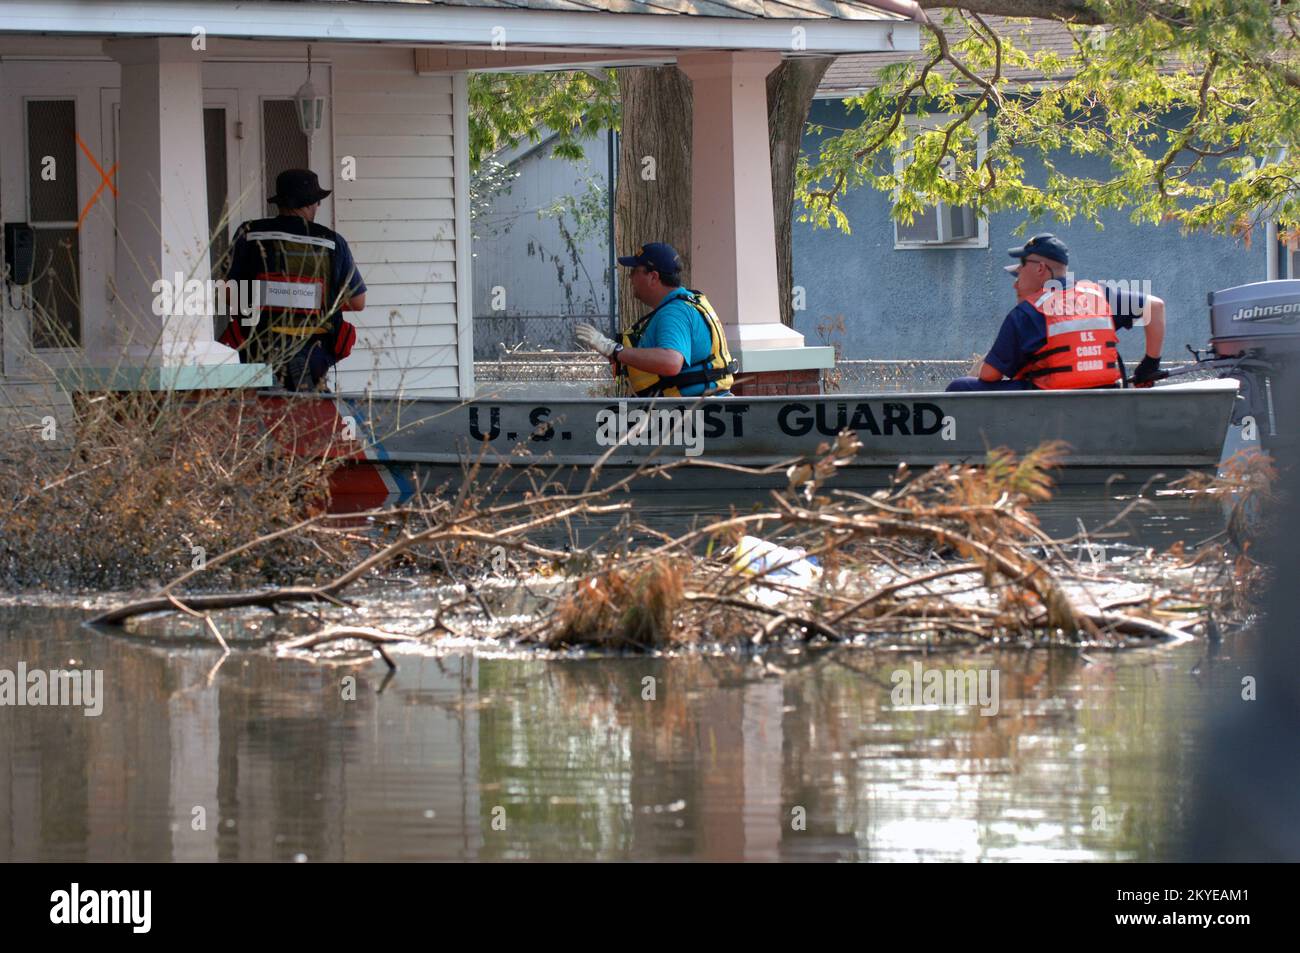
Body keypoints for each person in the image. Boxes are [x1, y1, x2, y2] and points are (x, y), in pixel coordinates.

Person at [946, 233, 1166, 392]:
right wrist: (1150, 364)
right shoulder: (1100, 294)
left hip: (1047, 405)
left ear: (1040, 268)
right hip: (1103, 392)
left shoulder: (1027, 313)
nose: (1018, 275)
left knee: (960, 387)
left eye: (1021, 266)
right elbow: (1155, 306)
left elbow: (989, 375)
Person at [218, 169, 364, 391]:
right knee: (308, 417)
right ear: (310, 203)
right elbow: (357, 302)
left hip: (256, 348)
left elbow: (226, 294)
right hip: (313, 352)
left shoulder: (249, 233)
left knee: (258, 414)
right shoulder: (332, 242)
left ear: (280, 202)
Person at [573, 242, 737, 397]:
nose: (630, 279)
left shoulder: (674, 313)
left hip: (692, 416)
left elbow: (670, 362)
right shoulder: (684, 304)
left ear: (653, 277)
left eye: (634, 271)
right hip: (696, 412)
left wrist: (614, 350)